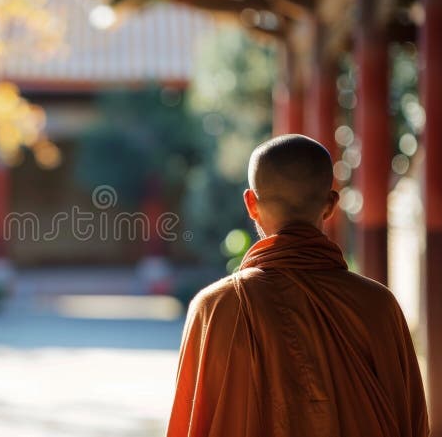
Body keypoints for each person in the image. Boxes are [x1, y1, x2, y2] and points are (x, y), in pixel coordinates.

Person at [167, 135, 429, 437]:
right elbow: (412, 421)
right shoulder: (378, 305)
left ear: (251, 204)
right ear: (331, 205)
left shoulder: (216, 307)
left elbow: (189, 426)